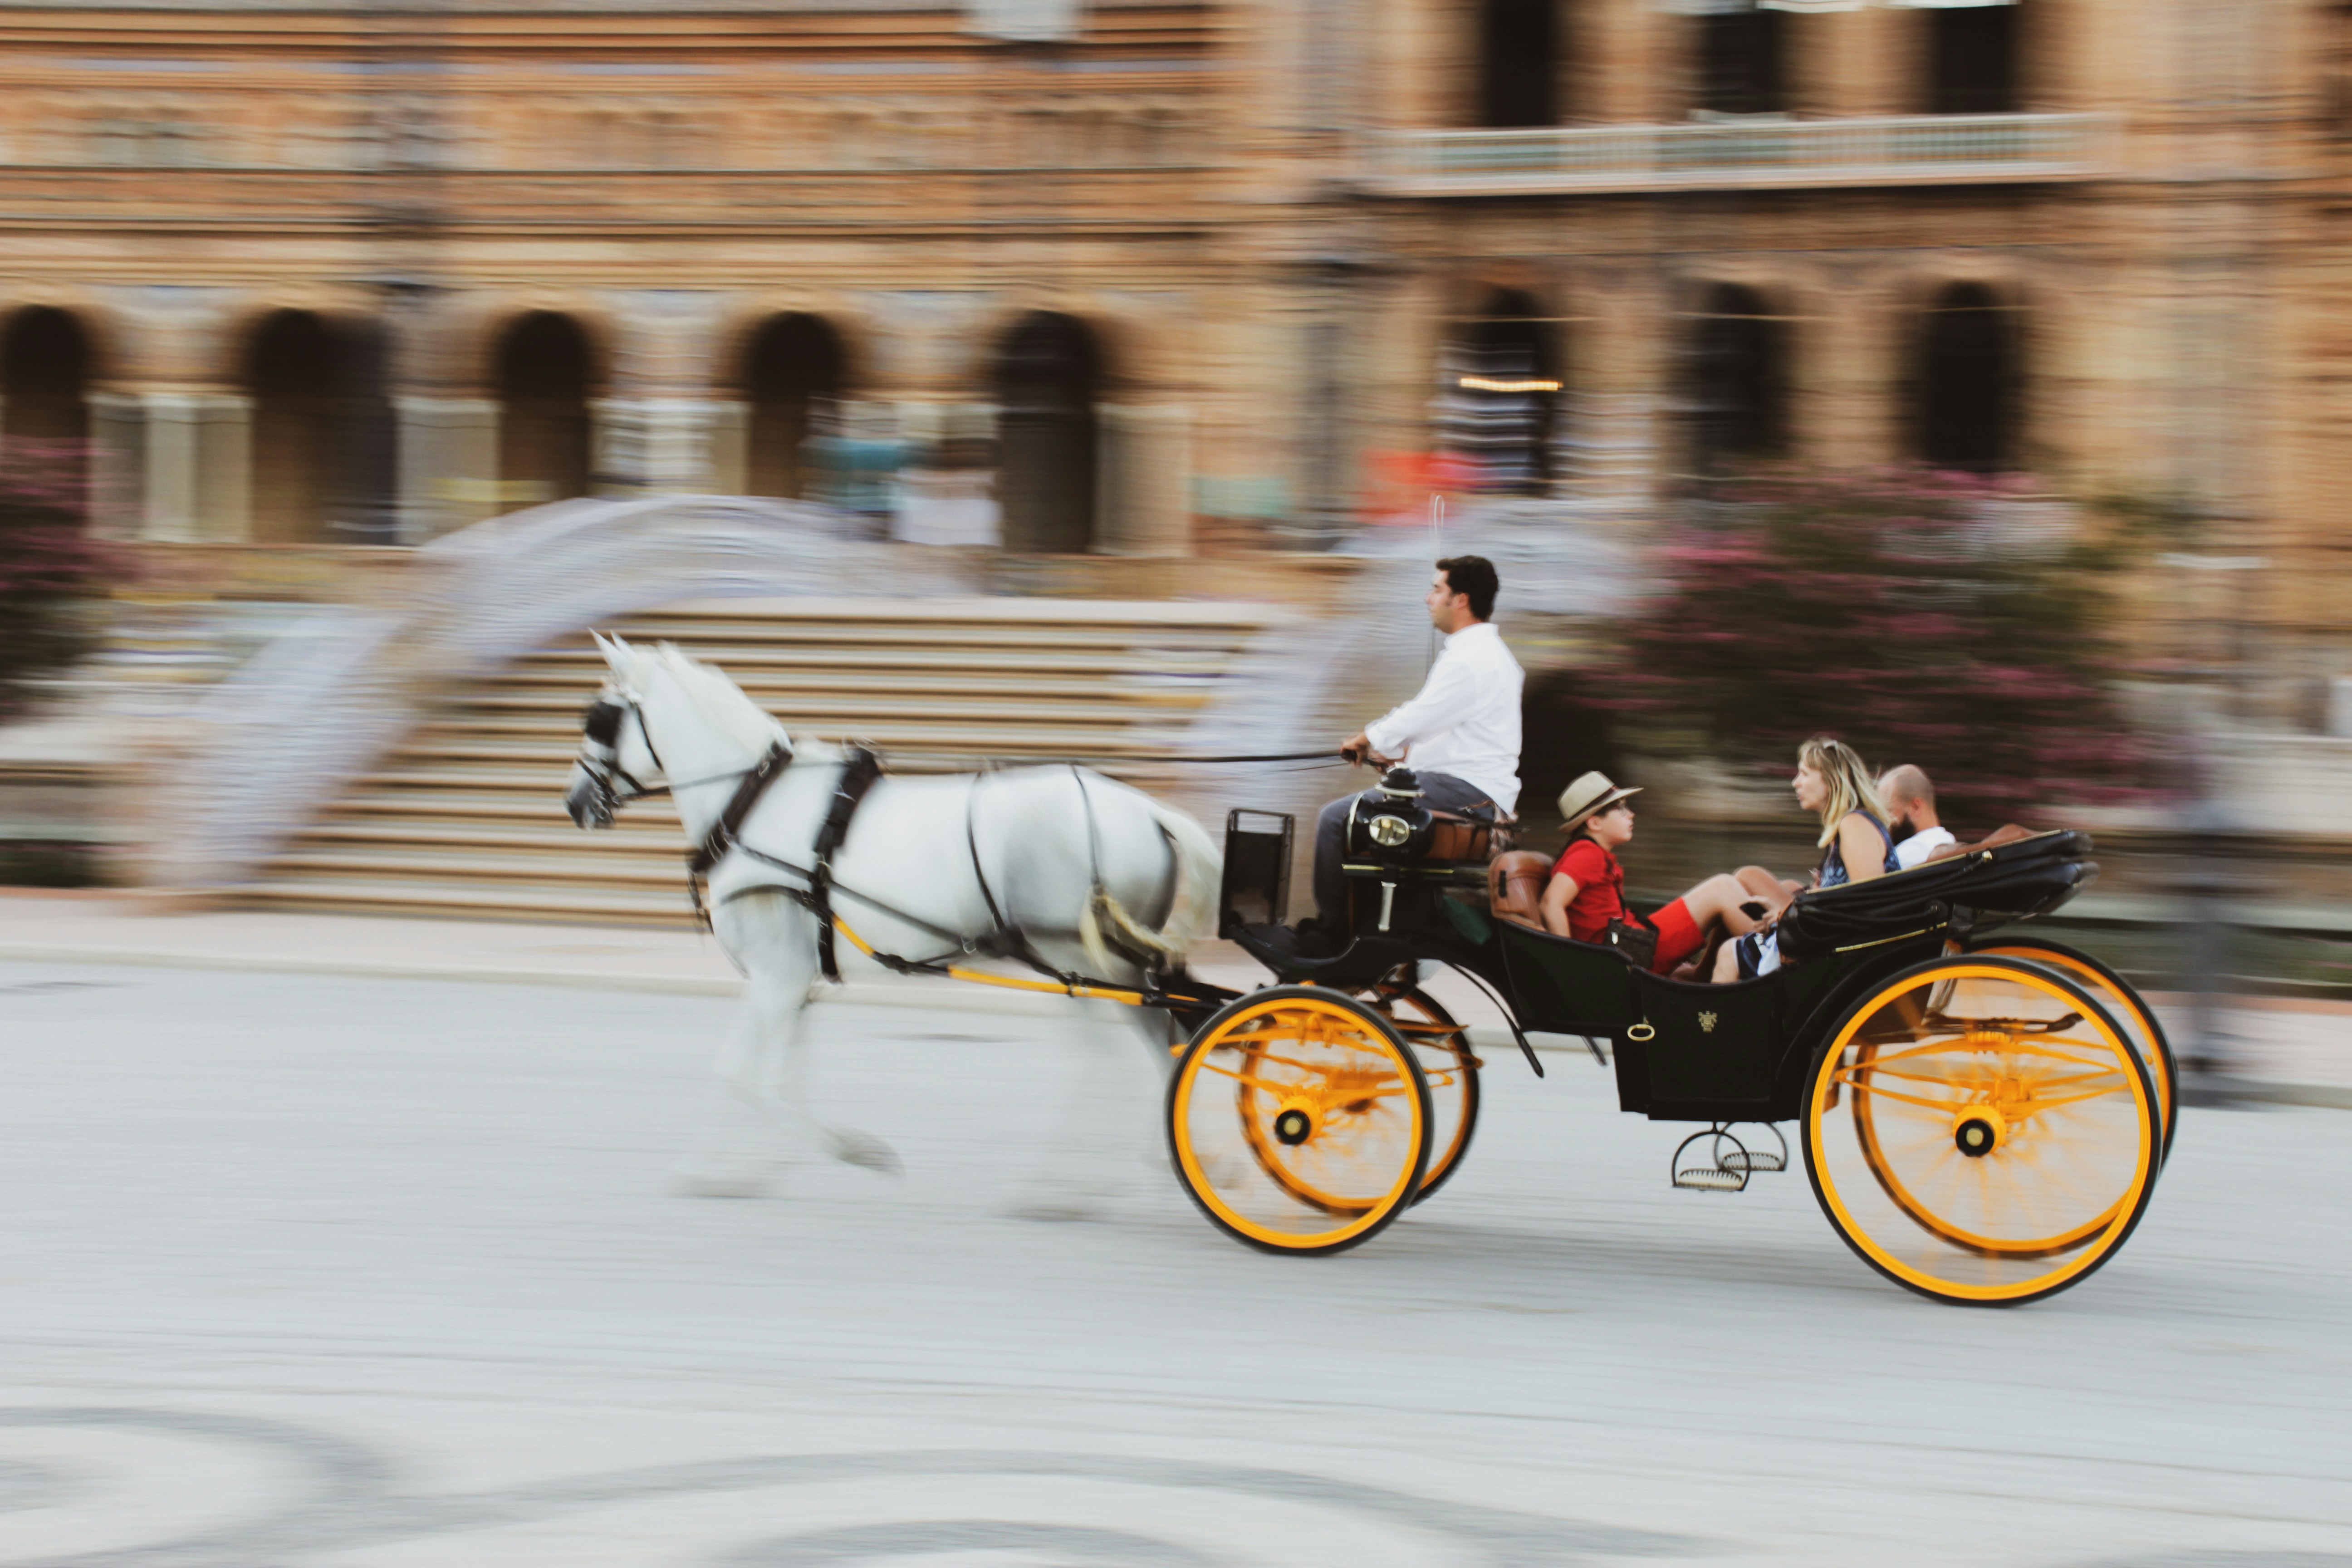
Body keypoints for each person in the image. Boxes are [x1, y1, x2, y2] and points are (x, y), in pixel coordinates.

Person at [1299, 555, 1523, 953]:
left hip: (1468, 792)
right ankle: (1362, 926)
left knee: (1337, 820)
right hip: (1472, 786)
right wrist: (1402, 758)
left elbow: (1421, 714)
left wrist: (1368, 739)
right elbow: (1452, 729)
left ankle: (1331, 935)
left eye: (1437, 589)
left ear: (1461, 600)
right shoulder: (1487, 654)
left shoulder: (1471, 659)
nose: (1428, 598)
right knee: (1355, 817)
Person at [1538, 772, 1772, 973]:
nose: (1631, 815)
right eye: (1621, 810)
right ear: (1595, 823)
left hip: (1629, 943)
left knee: (1735, 884)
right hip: (1627, 951)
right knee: (1722, 887)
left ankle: (1764, 954)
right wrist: (1569, 962)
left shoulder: (1589, 853)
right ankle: (1776, 961)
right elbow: (1551, 903)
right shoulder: (1586, 854)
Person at [1713, 736, 1901, 984]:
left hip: (1844, 957)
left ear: (1831, 781)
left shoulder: (1855, 825)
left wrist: (1788, 915)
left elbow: (1865, 906)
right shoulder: (1849, 828)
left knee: (1730, 952)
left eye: (1804, 774)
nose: (1796, 783)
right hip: (1834, 946)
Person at [1878, 763, 1958, 869]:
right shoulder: (1948, 840)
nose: (1883, 820)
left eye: (1889, 811)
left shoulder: (1909, 855)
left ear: (1916, 807)